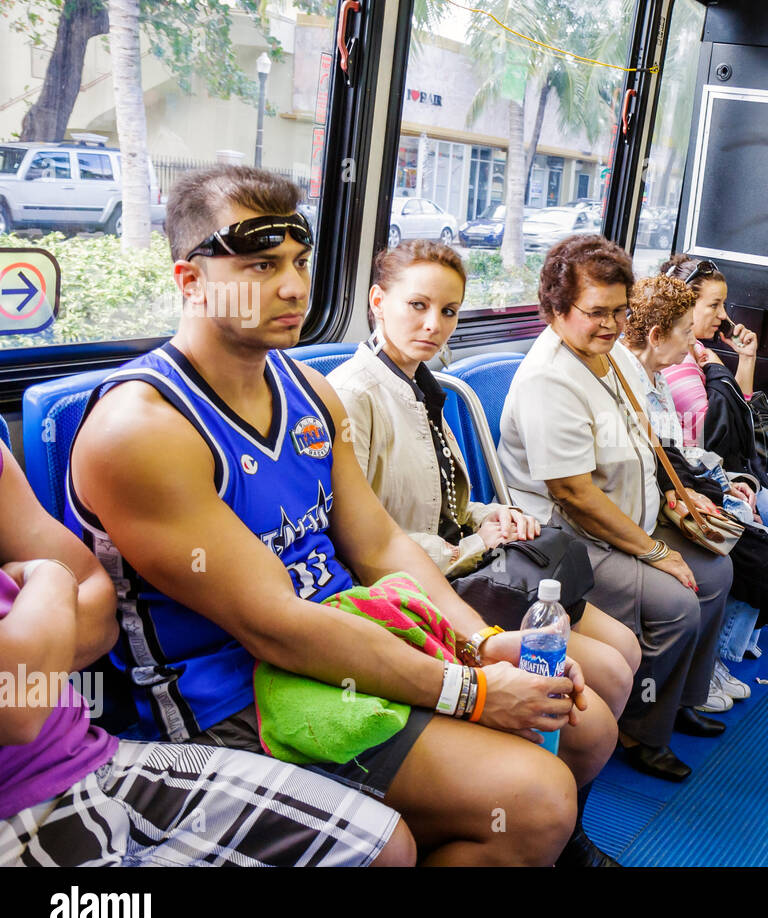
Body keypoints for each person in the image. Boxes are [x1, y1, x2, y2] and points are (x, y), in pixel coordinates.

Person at [64, 165, 613, 866]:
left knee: (584, 727)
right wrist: (472, 692)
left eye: (299, 262)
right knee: (535, 799)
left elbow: (380, 543)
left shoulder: (308, 391)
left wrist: (478, 643)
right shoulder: (142, 431)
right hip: (236, 697)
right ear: (191, 280)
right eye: (261, 265)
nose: (295, 287)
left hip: (351, 636)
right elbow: (275, 626)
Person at [327, 239, 637, 866]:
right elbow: (364, 540)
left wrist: (495, 516)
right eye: (416, 306)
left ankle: (562, 830)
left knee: (621, 657)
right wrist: (474, 542)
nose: (432, 325)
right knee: (595, 703)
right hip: (418, 593)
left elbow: (444, 500)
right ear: (376, 301)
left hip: (464, 566)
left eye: (448, 312)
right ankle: (541, 827)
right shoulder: (353, 396)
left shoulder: (422, 385)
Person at [0, 442, 414, 867]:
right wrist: (48, 577)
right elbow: (19, 706)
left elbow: (98, 613)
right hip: (15, 806)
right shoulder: (129, 430)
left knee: (383, 850)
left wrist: (33, 638)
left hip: (88, 754)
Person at [497, 235, 733, 783]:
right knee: (677, 603)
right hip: (572, 539)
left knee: (717, 570)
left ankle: (677, 705)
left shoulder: (614, 356)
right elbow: (575, 495)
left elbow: (643, 433)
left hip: (631, 517)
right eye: (595, 312)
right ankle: (639, 731)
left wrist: (678, 490)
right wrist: (654, 552)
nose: (610, 324)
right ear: (557, 309)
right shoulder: (548, 381)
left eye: (619, 310)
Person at [622, 275, 768, 707]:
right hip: (647, 508)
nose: (692, 341)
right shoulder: (630, 380)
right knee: (729, 560)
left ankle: (707, 663)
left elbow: (678, 450)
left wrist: (719, 482)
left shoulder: (656, 380)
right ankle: (689, 678)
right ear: (658, 336)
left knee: (756, 542)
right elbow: (702, 439)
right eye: (686, 332)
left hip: (677, 487)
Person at [657, 255, 768, 585]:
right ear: (685, 306)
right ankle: (744, 609)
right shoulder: (682, 361)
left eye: (724, 306)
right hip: (705, 469)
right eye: (714, 305)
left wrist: (746, 358)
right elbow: (715, 434)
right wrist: (716, 368)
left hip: (728, 463)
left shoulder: (698, 351)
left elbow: (741, 416)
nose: (723, 316)